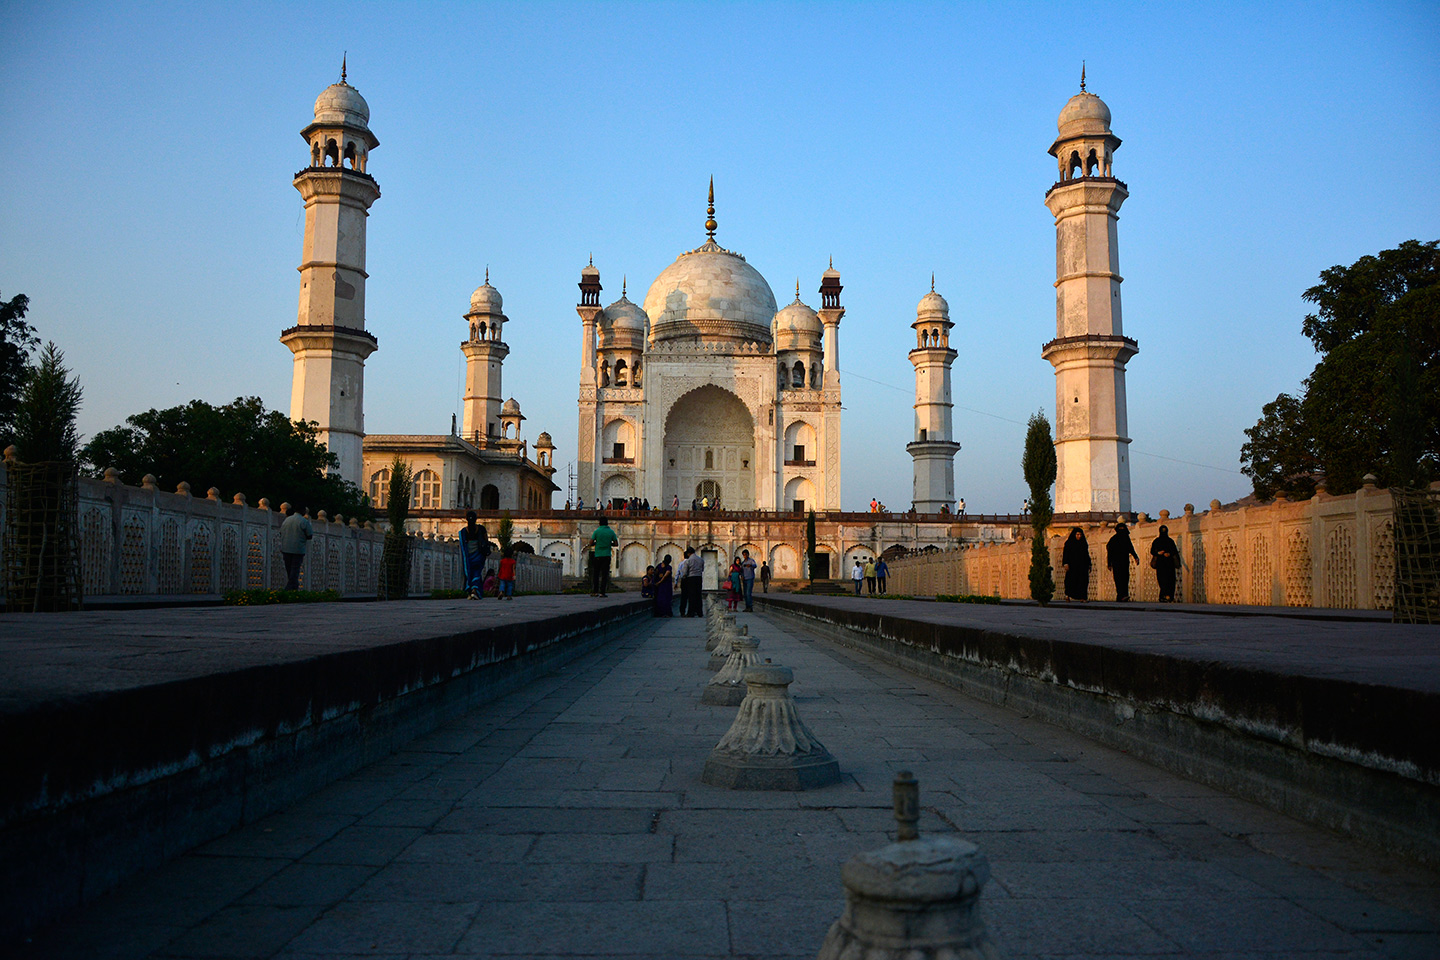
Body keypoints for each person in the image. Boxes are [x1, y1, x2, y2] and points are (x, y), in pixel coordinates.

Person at [459, 510, 492, 599]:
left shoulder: (464, 531)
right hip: (479, 555)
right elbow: (485, 540)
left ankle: (471, 590)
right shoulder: (481, 529)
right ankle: (474, 589)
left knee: (470, 573)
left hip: (469, 556)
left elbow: (463, 545)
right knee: (477, 573)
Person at [279, 504, 313, 591]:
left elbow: (281, 532)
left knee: (289, 569)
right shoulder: (303, 521)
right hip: (298, 549)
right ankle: (289, 588)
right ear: (302, 511)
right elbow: (310, 535)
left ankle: (293, 588)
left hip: (286, 548)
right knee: (295, 569)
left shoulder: (287, 520)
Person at [1107, 522, 1141, 601]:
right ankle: (1120, 595)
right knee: (1118, 579)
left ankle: (1124, 595)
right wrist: (1109, 563)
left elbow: (1130, 548)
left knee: (1125, 578)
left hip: (1125, 561)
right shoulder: (1113, 540)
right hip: (1116, 562)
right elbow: (1110, 552)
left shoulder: (1126, 539)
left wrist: (1135, 557)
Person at [588, 516, 618, 597]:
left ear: (599, 523)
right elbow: (616, 543)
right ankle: (602, 592)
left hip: (598, 555)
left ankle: (595, 591)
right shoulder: (611, 532)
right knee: (605, 574)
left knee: (596, 574)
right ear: (607, 523)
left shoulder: (597, 531)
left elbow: (590, 543)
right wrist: (608, 543)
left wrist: (596, 543)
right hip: (607, 555)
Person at [1151, 524, 1181, 602]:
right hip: (1166, 564)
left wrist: (1167, 553)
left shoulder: (1158, 541)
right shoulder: (1169, 541)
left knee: (1166, 580)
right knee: (1166, 580)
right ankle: (1166, 596)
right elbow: (1153, 551)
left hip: (1164, 564)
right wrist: (1159, 553)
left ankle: (1166, 596)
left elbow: (1173, 551)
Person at [1062, 527, 1091, 601]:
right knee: (1071, 581)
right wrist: (1065, 563)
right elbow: (1066, 554)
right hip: (1072, 566)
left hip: (1082, 565)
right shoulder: (1069, 543)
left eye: (1080, 535)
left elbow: (1086, 554)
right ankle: (1068, 595)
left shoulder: (1083, 543)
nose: (1079, 536)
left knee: (1083, 581)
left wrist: (1089, 564)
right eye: (1077, 534)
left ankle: (1083, 597)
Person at [681, 547, 704, 617]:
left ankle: (691, 612)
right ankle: (699, 612)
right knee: (698, 595)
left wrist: (684, 577)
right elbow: (702, 569)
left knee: (692, 596)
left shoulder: (688, 560)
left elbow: (685, 572)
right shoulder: (701, 559)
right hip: (699, 577)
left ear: (688, 553)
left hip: (691, 578)